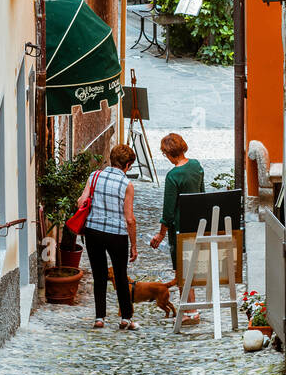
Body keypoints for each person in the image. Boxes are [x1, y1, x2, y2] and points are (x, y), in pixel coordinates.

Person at [80, 144, 138, 330]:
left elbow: (81, 201)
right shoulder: (126, 185)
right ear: (128, 165)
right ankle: (126, 319)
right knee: (120, 276)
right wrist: (134, 246)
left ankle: (99, 318)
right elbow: (129, 219)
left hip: (93, 231)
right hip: (116, 234)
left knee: (99, 274)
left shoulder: (94, 176)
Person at [150, 133, 205, 323]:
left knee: (182, 271)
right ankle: (190, 309)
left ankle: (191, 312)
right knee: (189, 268)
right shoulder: (196, 166)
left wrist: (160, 234)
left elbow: (169, 211)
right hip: (196, 225)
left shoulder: (173, 176)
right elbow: (202, 195)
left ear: (168, 153)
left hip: (180, 228)